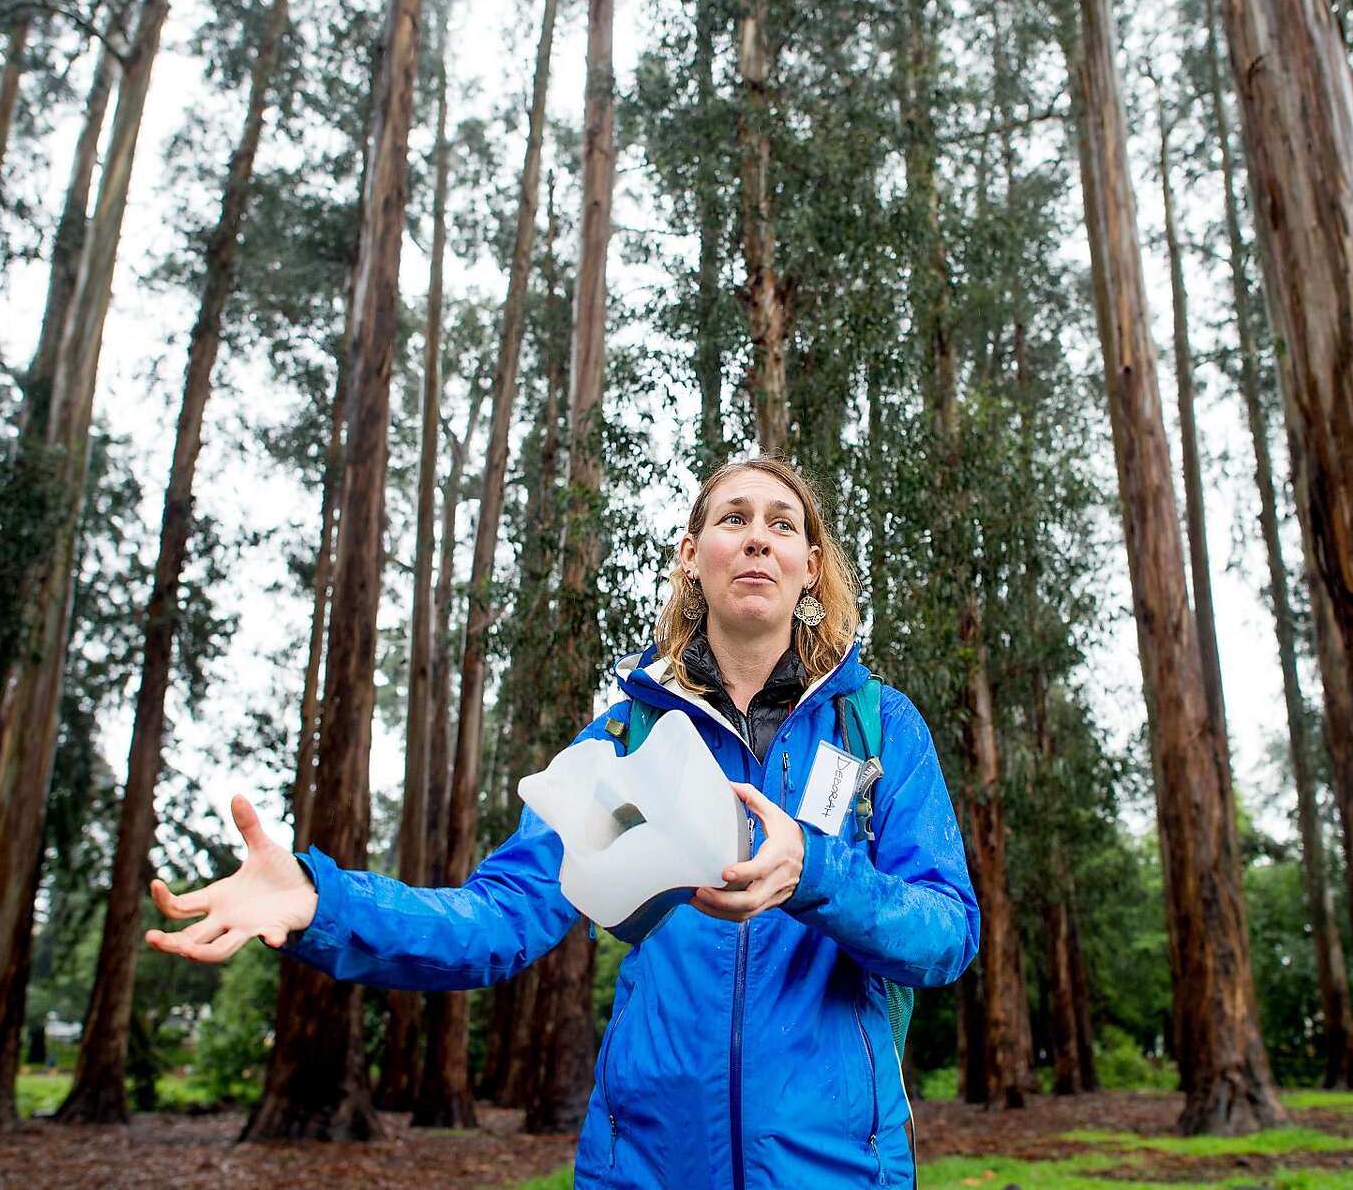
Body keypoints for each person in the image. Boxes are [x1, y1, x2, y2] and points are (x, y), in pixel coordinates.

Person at [147, 457, 979, 1188]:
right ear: (691, 559)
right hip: (645, 1166)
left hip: (838, 1169)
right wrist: (320, 902)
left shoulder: (880, 728)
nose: (757, 538)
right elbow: (497, 920)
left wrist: (817, 874)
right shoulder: (625, 743)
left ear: (811, 565)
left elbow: (945, 932)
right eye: (732, 519)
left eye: (781, 524)